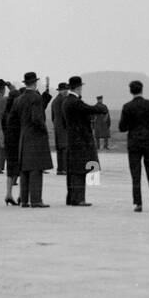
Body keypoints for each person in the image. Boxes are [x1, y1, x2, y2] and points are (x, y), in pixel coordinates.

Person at [118, 80, 149, 212]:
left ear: (131, 91)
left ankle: (138, 204)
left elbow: (122, 127)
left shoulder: (127, 107)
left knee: (135, 174)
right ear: (142, 89)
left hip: (134, 143)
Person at [62, 76, 104, 206]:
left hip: (71, 139)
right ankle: (79, 199)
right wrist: (102, 108)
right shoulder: (75, 102)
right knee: (80, 170)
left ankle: (71, 198)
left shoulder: (66, 102)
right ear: (79, 88)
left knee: (72, 170)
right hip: (81, 140)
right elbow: (90, 109)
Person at [13, 72, 53, 207]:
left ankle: (24, 200)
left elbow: (12, 119)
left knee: (24, 170)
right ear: (35, 83)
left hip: (23, 136)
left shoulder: (19, 99)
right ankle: (36, 200)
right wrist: (43, 129)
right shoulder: (35, 98)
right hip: (35, 137)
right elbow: (37, 118)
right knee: (36, 169)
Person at [0, 84, 22, 206]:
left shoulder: (5, 113)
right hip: (18, 142)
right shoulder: (17, 113)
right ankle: (21, 195)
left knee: (10, 169)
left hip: (9, 142)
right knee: (22, 169)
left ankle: (8, 194)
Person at [51, 81, 70, 175]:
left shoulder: (54, 101)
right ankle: (65, 169)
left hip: (57, 127)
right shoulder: (64, 100)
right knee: (65, 148)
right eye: (64, 89)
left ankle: (60, 168)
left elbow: (52, 117)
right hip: (63, 127)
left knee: (59, 149)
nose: (66, 91)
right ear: (60, 90)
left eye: (67, 89)